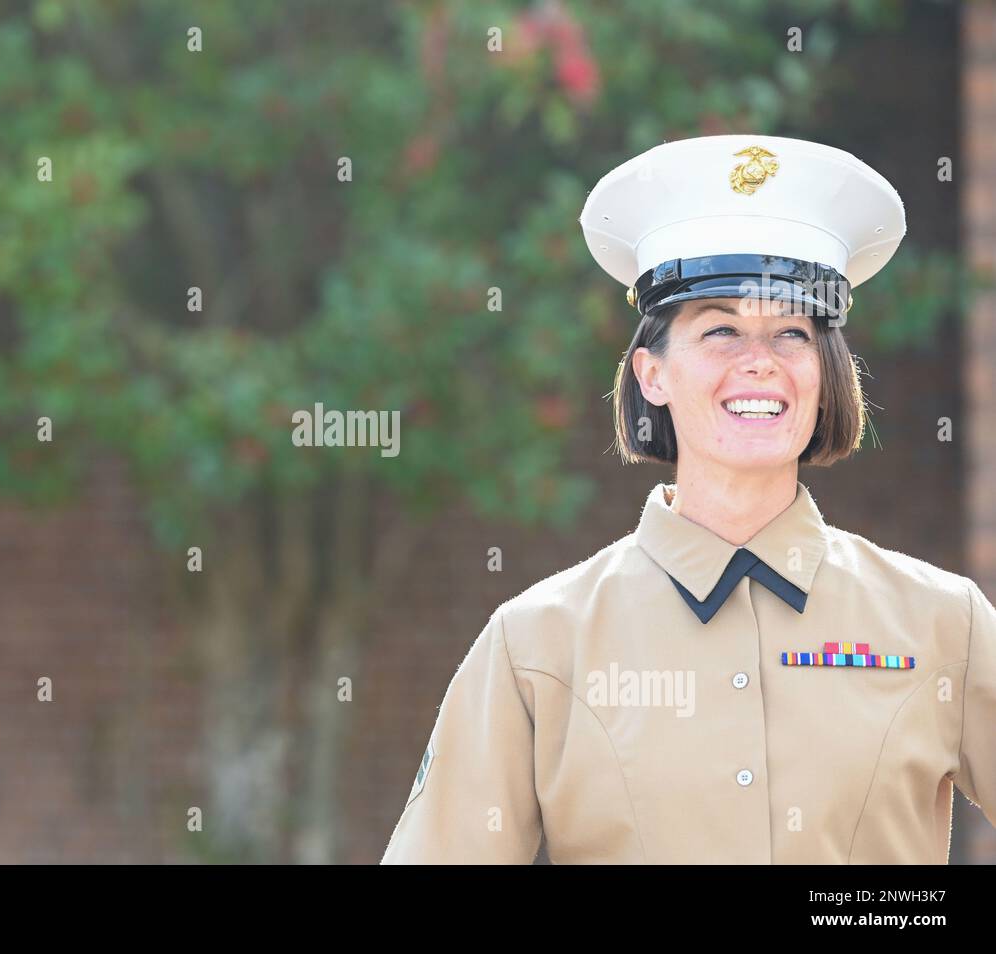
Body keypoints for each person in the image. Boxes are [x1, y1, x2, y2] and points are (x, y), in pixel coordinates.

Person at [380, 134, 996, 864]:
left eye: (792, 333)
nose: (759, 361)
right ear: (652, 375)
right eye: (721, 331)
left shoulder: (944, 624)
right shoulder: (537, 645)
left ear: (825, 373)